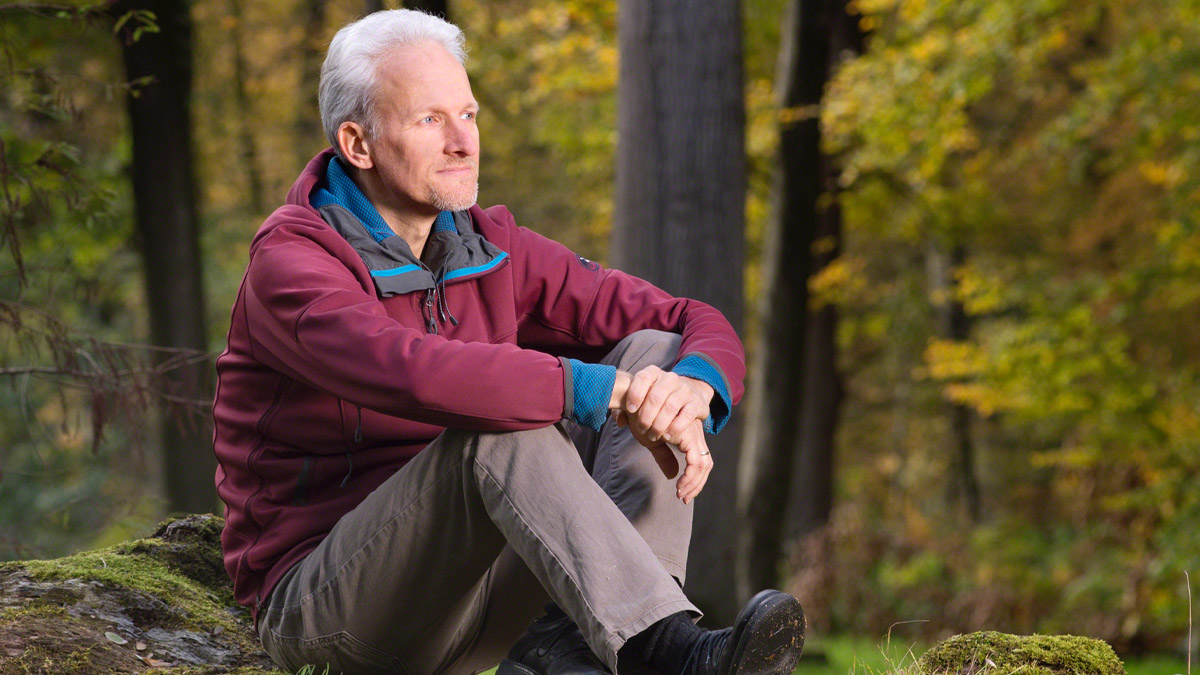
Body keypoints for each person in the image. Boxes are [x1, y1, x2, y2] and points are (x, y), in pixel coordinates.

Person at [211, 9, 805, 675]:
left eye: (469, 115)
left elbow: (689, 318)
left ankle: (582, 647)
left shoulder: (489, 245)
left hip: (475, 594)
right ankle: (658, 653)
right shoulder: (293, 262)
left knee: (656, 355)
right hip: (331, 608)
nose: (464, 142)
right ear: (359, 144)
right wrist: (595, 389)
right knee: (499, 425)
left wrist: (692, 384)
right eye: (430, 120)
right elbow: (412, 372)